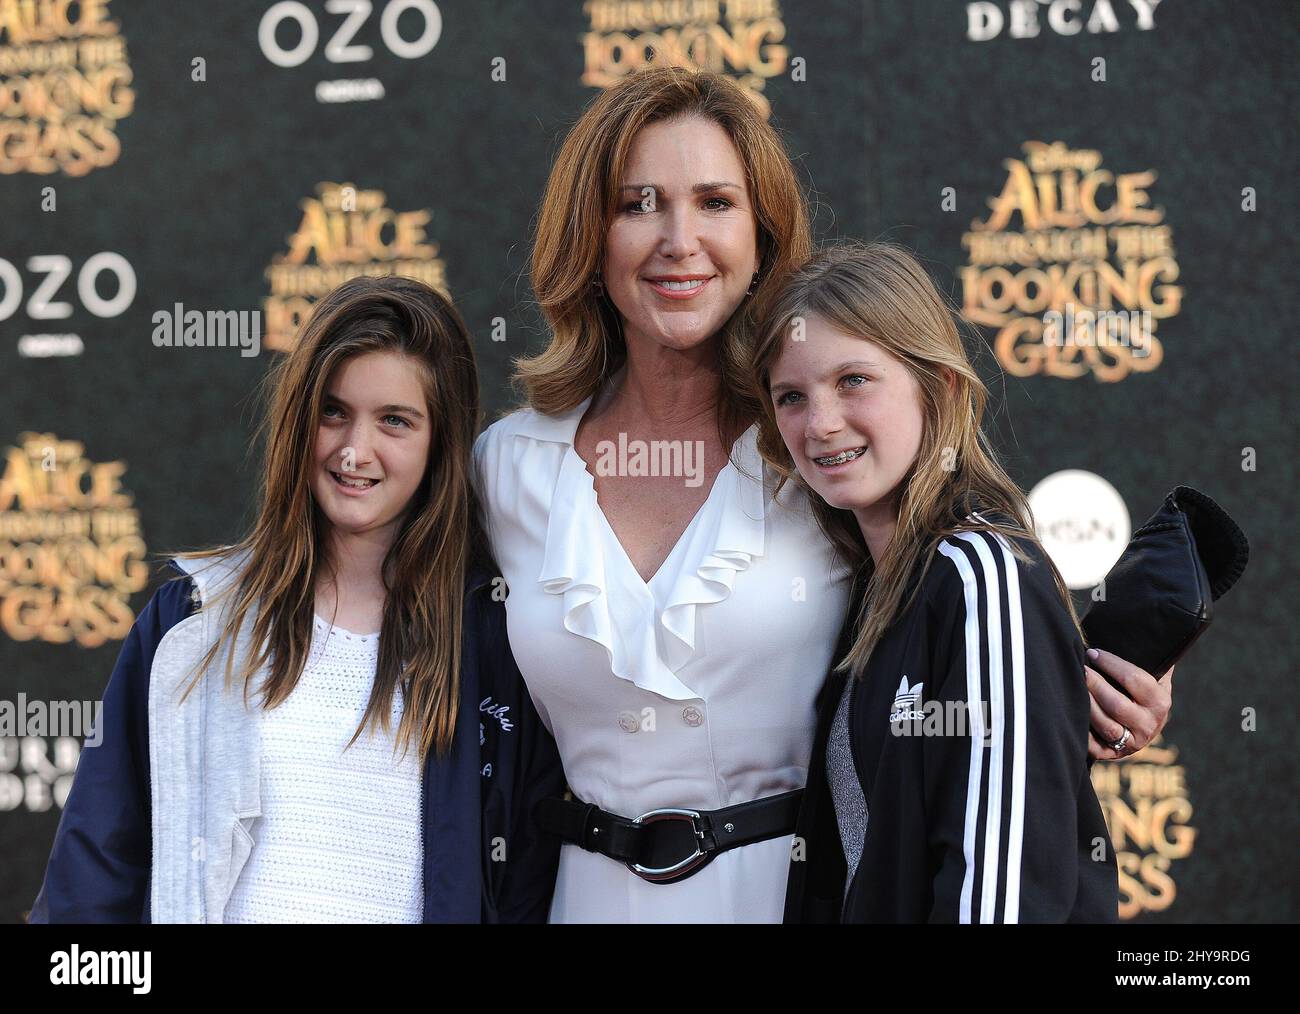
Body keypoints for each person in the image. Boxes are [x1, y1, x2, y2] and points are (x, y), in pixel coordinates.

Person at [474, 66, 1170, 923]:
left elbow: (969, 620)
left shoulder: (822, 455)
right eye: (639, 202)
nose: (679, 239)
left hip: (801, 897)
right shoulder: (506, 468)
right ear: (590, 233)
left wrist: (1094, 680)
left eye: (717, 203)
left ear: (764, 233)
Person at [30, 275, 563, 923]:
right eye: (333, 412)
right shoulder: (192, 621)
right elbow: (90, 881)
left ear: (439, 442)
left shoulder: (495, 646)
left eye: (395, 420)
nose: (354, 450)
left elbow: (527, 891)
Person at [756, 242, 1125, 922]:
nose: (821, 423)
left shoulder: (982, 575)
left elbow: (1002, 898)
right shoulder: (871, 587)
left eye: (854, 381)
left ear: (940, 385)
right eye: (792, 396)